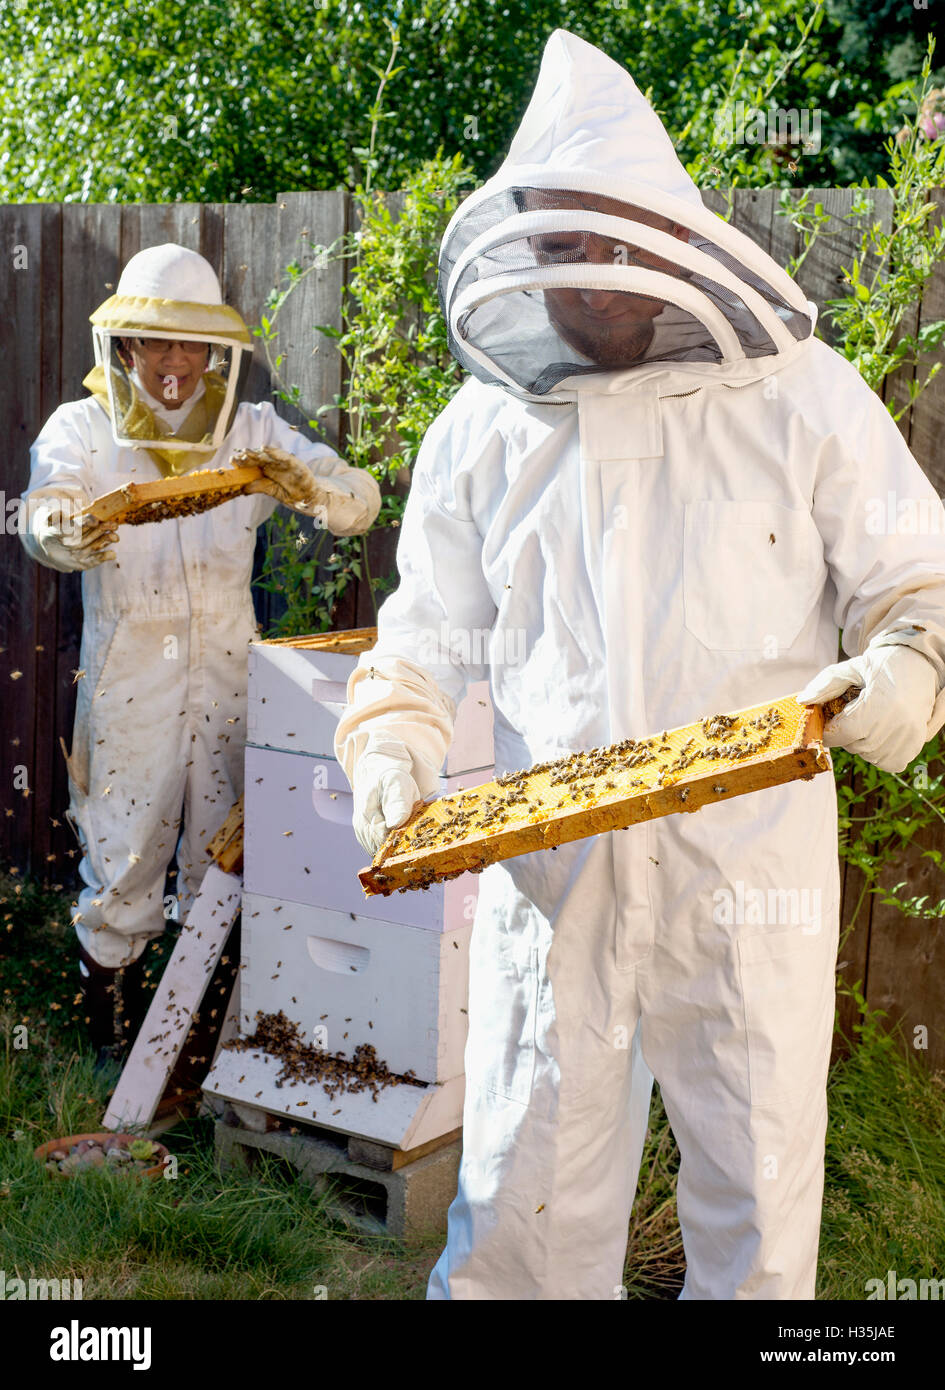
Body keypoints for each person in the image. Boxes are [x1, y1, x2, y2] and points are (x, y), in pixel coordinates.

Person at [333, 30, 945, 1300]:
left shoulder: (804, 400)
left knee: (759, 1196)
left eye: (608, 246)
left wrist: (898, 677)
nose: (588, 282)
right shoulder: (481, 434)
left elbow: (920, 589)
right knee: (522, 1201)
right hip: (554, 876)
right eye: (560, 253)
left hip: (748, 867)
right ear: (523, 257)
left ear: (666, 237)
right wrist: (391, 741)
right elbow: (426, 631)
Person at [20, 243, 380, 1062]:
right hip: (129, 674)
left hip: (227, 671)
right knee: (123, 853)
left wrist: (308, 486)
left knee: (223, 857)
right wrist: (66, 529)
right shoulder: (81, 428)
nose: (174, 364)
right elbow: (45, 508)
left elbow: (357, 500)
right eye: (158, 344)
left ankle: (196, 1048)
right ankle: (111, 1044)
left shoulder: (251, 431)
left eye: (190, 346)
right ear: (127, 348)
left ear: (214, 352)